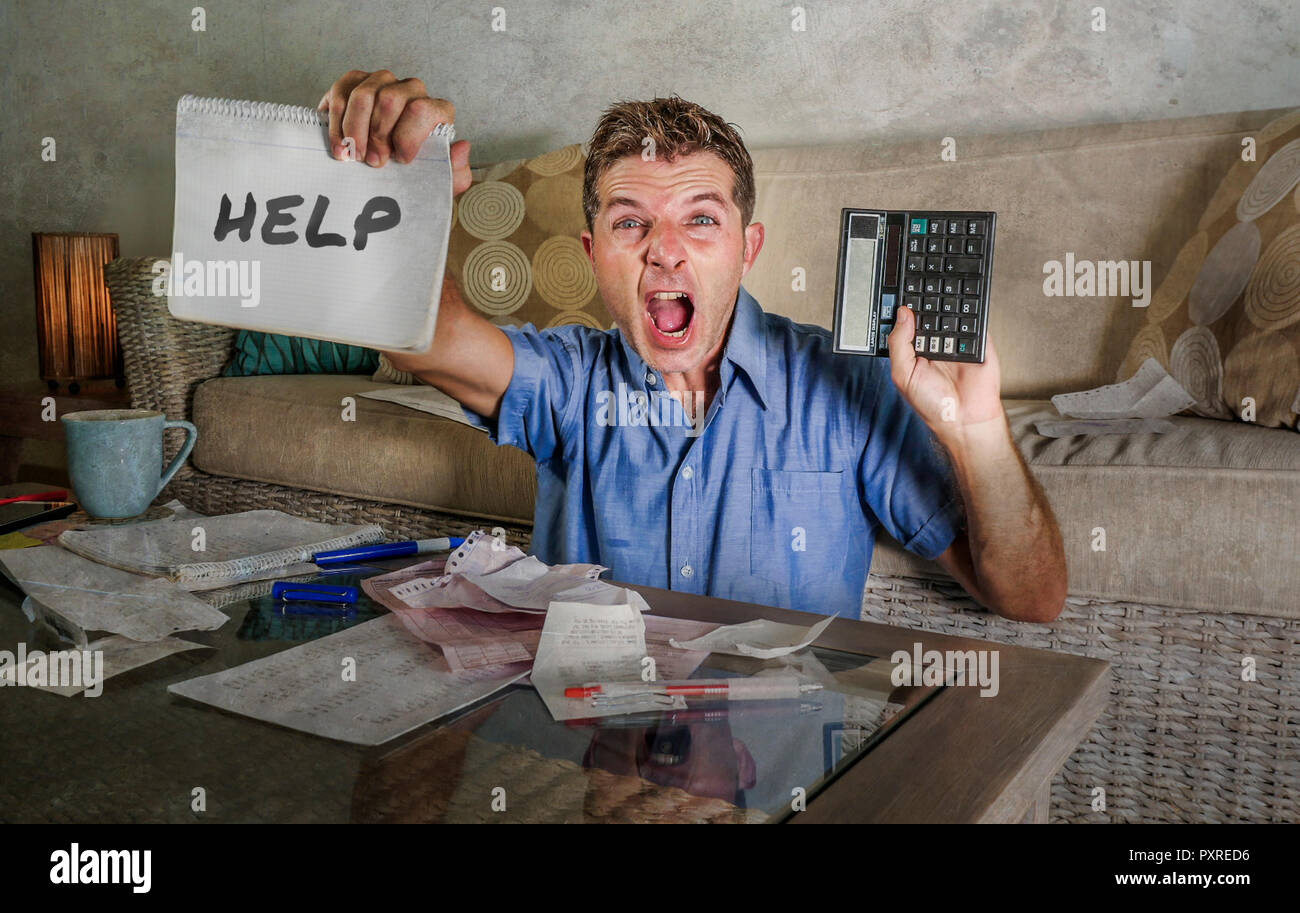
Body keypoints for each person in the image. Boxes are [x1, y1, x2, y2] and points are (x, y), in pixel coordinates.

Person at [318, 70, 1067, 622]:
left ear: (749, 247)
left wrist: (977, 433)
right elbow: (426, 336)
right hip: (592, 761)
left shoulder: (846, 383)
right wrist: (399, 206)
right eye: (630, 222)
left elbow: (1031, 598)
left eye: (701, 220)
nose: (665, 252)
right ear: (592, 254)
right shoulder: (572, 381)